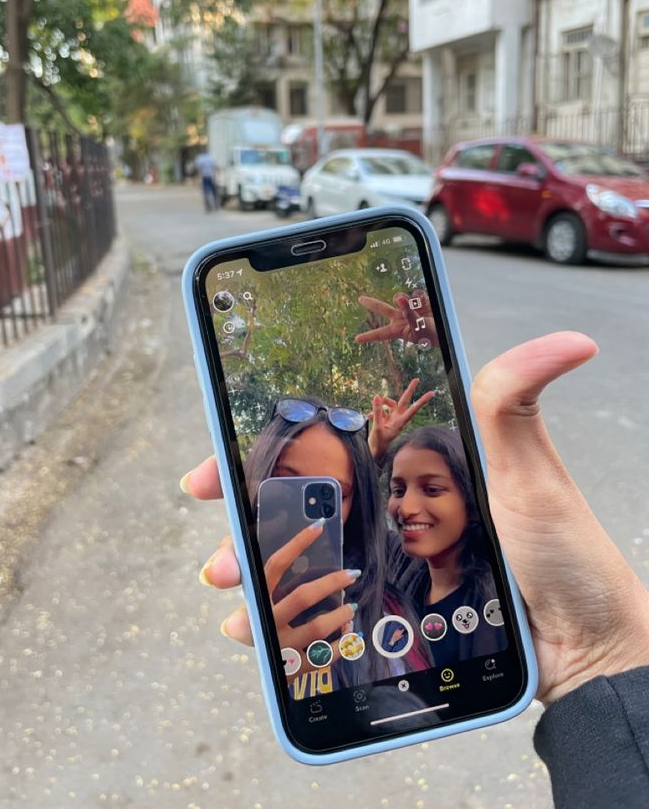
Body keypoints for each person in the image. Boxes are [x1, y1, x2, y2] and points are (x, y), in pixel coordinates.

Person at [181, 333, 649, 807]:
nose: (312, 510)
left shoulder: (395, 575)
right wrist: (307, 676)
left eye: (331, 494)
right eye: (286, 484)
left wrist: (607, 657)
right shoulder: (394, 571)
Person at [238, 396, 430, 693]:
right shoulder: (235, 573)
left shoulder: (388, 568)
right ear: (256, 478)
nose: (305, 512)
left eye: (331, 496)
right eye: (288, 484)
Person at [384, 426, 507, 667]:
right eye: (398, 490)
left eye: (431, 490)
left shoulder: (499, 596)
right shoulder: (404, 568)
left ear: (472, 501)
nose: (406, 508)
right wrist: (376, 451)